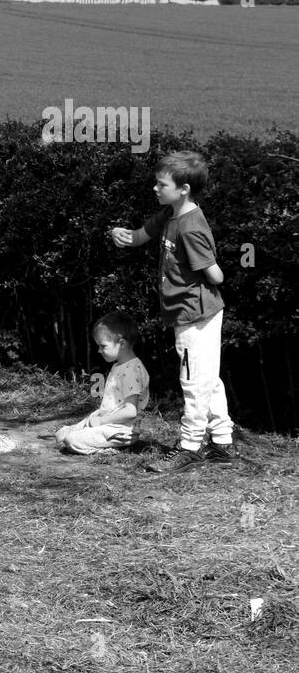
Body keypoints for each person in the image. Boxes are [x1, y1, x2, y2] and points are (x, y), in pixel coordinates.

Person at [110, 150, 235, 472]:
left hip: (197, 316)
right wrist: (123, 237)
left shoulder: (190, 226)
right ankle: (222, 441)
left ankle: (190, 446)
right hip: (187, 313)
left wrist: (214, 270)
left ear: (184, 189)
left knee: (194, 382)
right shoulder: (170, 214)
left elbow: (215, 274)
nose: (155, 188)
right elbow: (140, 237)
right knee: (208, 378)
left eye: (161, 184)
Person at [55, 312, 150, 455]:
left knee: (71, 439)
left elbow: (131, 412)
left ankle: (108, 450)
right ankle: (89, 437)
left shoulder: (132, 371)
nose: (99, 351)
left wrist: (101, 421)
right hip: (108, 423)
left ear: (122, 344)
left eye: (102, 346)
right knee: (62, 433)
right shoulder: (119, 366)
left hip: (121, 430)